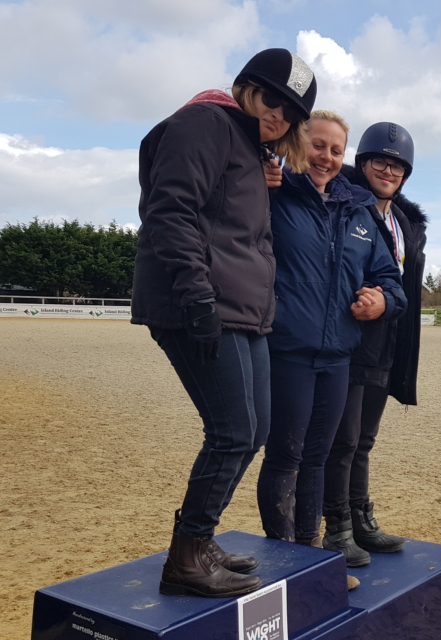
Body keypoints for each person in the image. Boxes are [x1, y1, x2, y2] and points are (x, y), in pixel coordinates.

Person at [131, 49, 316, 597]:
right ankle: (187, 554)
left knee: (253, 431)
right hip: (203, 305)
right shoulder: (205, 122)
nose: (279, 114)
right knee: (233, 431)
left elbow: (239, 235)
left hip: (242, 310)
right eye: (272, 98)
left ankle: (198, 539)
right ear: (245, 88)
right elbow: (170, 210)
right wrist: (196, 300)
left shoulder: (250, 148)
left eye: (291, 111)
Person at [257, 111, 405, 573]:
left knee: (318, 458)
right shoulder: (273, 195)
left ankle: (311, 555)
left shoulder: (357, 212)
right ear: (297, 145)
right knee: (286, 456)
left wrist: (382, 301)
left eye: (335, 150)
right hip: (287, 351)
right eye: (317, 146)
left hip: (338, 355)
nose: (326, 157)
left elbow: (390, 278)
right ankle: (284, 558)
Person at [319, 123, 428, 566]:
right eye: (380, 162)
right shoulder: (342, 206)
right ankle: (337, 525)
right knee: (340, 441)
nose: (388, 170)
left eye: (397, 165)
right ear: (362, 164)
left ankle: (361, 519)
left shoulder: (403, 223)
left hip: (387, 344)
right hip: (348, 340)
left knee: (363, 440)